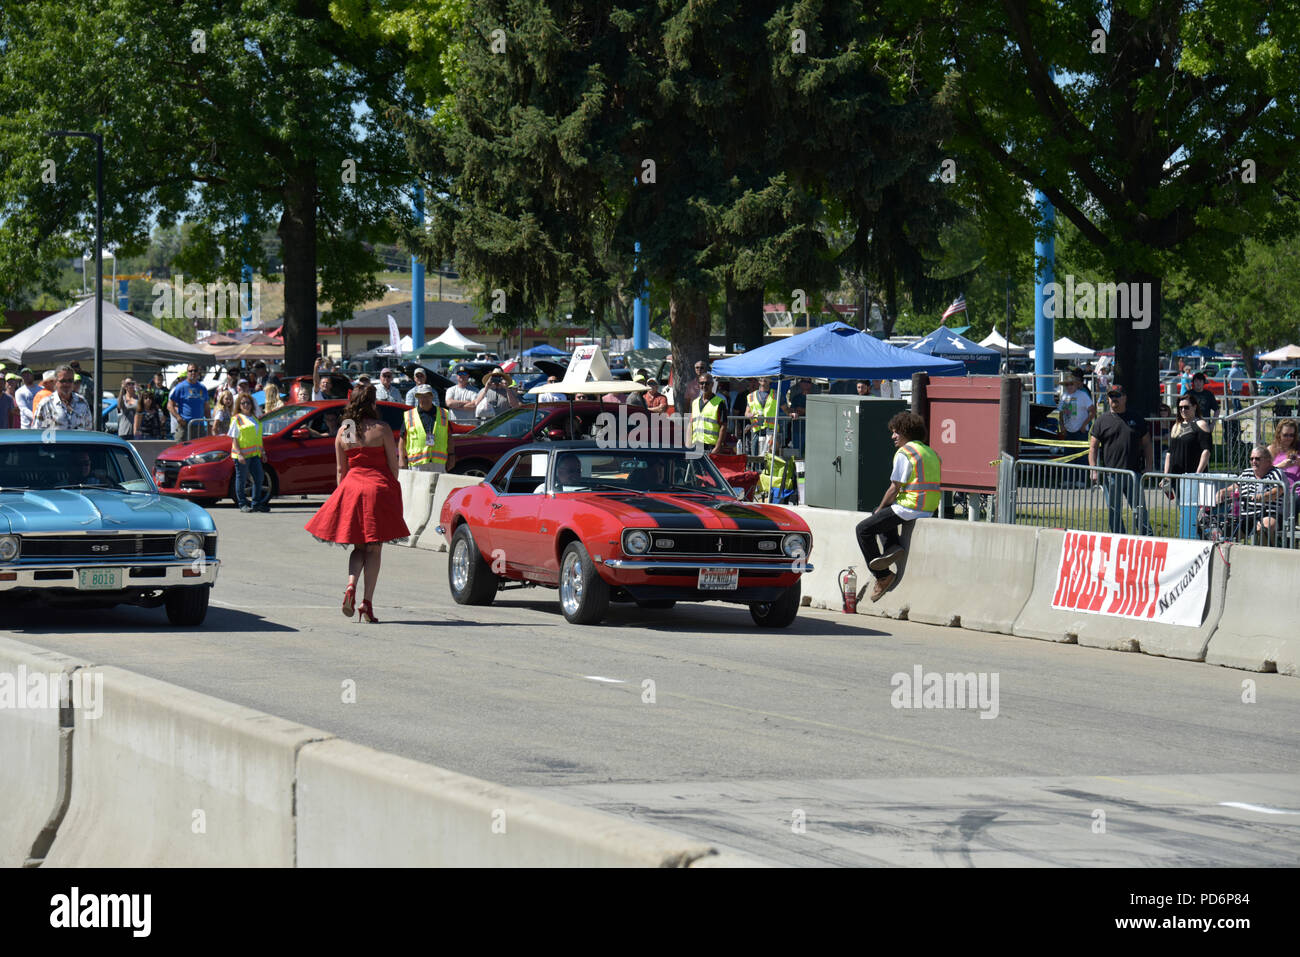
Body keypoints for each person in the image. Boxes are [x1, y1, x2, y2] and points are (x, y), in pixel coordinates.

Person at [304, 385, 409, 623]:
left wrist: (343, 497)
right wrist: (392, 488)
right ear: (372, 404)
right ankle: (366, 603)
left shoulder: (345, 430)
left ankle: (350, 585)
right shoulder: (381, 429)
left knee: (358, 547)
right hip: (377, 488)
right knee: (374, 548)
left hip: (352, 488)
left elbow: (341, 470)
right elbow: (394, 466)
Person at [854, 411, 942, 602]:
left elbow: (894, 488)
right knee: (882, 516)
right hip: (929, 507)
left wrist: (880, 507)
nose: (893, 436)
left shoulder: (905, 453)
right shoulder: (930, 452)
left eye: (896, 432)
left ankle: (883, 576)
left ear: (906, 432)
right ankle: (892, 547)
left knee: (863, 529)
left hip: (910, 506)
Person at [1089, 384, 1154, 536]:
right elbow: (1093, 447)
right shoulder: (1101, 420)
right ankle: (1120, 539)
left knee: (1140, 510)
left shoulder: (1136, 418)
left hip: (1134, 474)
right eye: (1111, 396)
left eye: (1117, 396)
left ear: (1124, 398)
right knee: (1114, 512)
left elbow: (1147, 444)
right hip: (1111, 475)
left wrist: (1149, 466)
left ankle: (1148, 538)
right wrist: (1093, 469)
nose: (1114, 399)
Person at [1162, 396, 1213, 537]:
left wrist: (1197, 474)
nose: (1183, 410)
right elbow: (1169, 454)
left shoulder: (1201, 424)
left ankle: (1200, 539)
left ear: (1194, 407)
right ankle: (1188, 538)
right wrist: (1166, 475)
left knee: (1198, 515)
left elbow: (1206, 451)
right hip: (1177, 477)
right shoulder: (1176, 426)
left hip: (1194, 476)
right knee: (1184, 511)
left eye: (1186, 407)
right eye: (1180, 408)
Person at [1215, 446, 1285, 544]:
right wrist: (1223, 491)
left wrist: (1264, 496)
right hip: (1246, 515)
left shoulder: (1275, 473)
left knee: (1264, 526)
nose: (1253, 461)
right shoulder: (1247, 472)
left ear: (1268, 461)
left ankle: (1267, 554)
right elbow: (1235, 487)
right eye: (1251, 459)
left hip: (1269, 513)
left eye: (1257, 459)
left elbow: (1278, 491)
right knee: (1223, 531)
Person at [228, 393, 270, 513]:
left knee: (259, 478)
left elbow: (258, 437)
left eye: (248, 403)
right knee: (241, 480)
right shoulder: (237, 419)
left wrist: (262, 452)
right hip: (242, 455)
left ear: (252, 405)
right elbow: (234, 438)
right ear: (239, 406)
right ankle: (242, 503)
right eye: (243, 403)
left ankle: (256, 503)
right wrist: (240, 454)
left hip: (255, 454)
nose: (246, 405)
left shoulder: (255, 418)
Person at [398, 384, 453, 473]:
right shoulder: (410, 415)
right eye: (421, 396)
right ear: (418, 398)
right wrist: (401, 458)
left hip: (438, 463)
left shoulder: (443, 414)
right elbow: (402, 439)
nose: (424, 399)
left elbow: (449, 437)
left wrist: (451, 456)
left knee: (438, 487)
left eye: (427, 396)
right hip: (417, 464)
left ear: (432, 396)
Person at [34, 365, 94, 431]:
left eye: (70, 380)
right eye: (63, 381)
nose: (67, 384)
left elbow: (89, 429)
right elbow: (37, 431)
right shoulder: (46, 404)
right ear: (56, 382)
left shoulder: (82, 402)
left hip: (78, 441)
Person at [689, 374, 731, 454]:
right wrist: (688, 444)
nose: (704, 385)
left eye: (707, 383)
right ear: (698, 385)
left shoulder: (719, 403)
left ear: (712, 385)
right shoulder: (695, 402)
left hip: (711, 446)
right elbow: (691, 424)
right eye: (701, 383)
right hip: (696, 444)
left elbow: (723, 426)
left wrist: (718, 447)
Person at [168, 363, 212, 439]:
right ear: (187, 373)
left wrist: (209, 424)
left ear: (198, 372)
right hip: (185, 425)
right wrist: (178, 417)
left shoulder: (202, 388)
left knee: (200, 449)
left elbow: (207, 407)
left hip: (199, 426)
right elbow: (170, 405)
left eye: (195, 371)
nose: (193, 373)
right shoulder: (180, 387)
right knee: (181, 449)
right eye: (190, 371)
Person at [1267, 418, 1300, 512]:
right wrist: (1280, 466)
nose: (1289, 438)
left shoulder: (1298, 448)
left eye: (1292, 435)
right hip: (1276, 490)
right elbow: (1263, 471)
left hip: (1295, 490)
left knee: (1289, 504)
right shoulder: (1271, 449)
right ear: (1279, 434)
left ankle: (1285, 525)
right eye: (1285, 435)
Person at [1057, 371, 1095, 442]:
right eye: (1067, 384)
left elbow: (1093, 411)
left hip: (1080, 431)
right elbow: (1061, 413)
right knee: (1068, 453)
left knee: (1080, 452)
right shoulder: (1064, 396)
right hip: (1067, 431)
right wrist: (1062, 426)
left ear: (1076, 385)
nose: (1069, 386)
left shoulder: (1083, 395)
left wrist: (1084, 425)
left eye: (1071, 384)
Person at [746, 376, 779, 456]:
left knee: (769, 457)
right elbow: (746, 413)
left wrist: (791, 414)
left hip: (771, 431)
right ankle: (755, 468)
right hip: (756, 430)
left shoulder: (776, 394)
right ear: (759, 380)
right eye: (761, 377)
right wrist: (750, 415)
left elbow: (786, 409)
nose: (763, 379)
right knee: (755, 456)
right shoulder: (751, 396)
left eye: (766, 377)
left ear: (770, 380)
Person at [785, 378, 813, 455]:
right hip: (797, 429)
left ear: (811, 384)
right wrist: (802, 410)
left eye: (808, 382)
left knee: (810, 453)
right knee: (798, 453)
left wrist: (802, 410)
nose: (806, 383)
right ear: (800, 384)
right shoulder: (796, 398)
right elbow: (792, 410)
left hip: (811, 430)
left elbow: (814, 411)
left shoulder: (814, 398)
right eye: (804, 381)